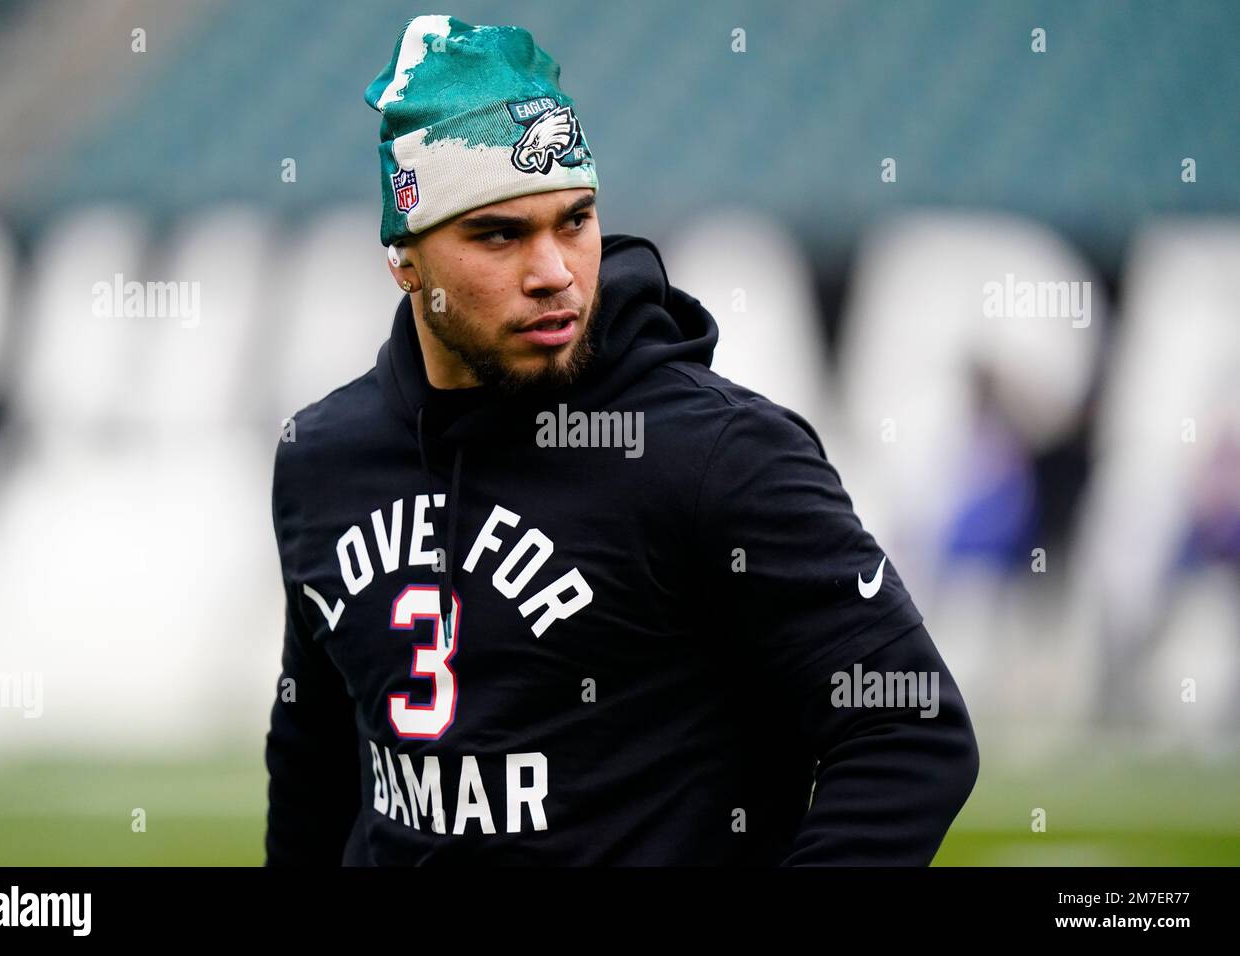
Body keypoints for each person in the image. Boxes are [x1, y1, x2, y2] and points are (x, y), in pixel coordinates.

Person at [265, 14, 978, 866]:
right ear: (405, 257)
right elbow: (314, 762)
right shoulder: (323, 456)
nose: (555, 272)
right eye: (499, 234)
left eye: (574, 220)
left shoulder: (716, 455)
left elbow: (907, 723)